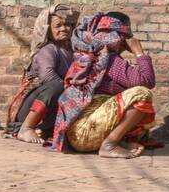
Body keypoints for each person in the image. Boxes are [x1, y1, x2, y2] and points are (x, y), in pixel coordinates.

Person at [51, 11, 158, 159]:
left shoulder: (91, 56)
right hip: (84, 132)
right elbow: (147, 81)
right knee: (141, 94)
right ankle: (109, 145)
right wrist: (139, 52)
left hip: (79, 134)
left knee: (134, 104)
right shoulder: (110, 60)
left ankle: (120, 142)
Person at [7, 4, 78, 145]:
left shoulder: (71, 51)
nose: (64, 28)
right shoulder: (47, 50)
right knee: (57, 85)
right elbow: (48, 77)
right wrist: (73, 93)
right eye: (58, 25)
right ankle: (26, 128)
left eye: (68, 24)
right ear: (47, 29)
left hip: (52, 107)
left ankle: (42, 129)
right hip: (29, 110)